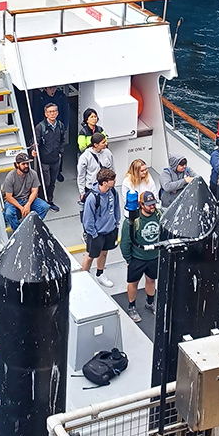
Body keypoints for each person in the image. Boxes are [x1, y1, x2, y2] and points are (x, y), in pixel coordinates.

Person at [120, 191, 161, 321]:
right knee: (133, 283)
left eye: (153, 203)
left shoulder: (160, 215)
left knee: (151, 280)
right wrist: (128, 259)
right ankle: (131, 307)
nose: (152, 207)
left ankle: (150, 303)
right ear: (141, 205)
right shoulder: (132, 221)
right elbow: (125, 242)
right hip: (137, 258)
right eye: (148, 205)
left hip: (154, 257)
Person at [81, 168, 120, 288]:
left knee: (104, 253)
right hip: (96, 233)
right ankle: (83, 278)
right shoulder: (92, 198)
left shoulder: (113, 192)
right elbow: (88, 219)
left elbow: (117, 208)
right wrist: (93, 234)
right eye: (112, 180)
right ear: (104, 182)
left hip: (110, 230)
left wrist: (116, 224)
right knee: (90, 256)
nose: (114, 181)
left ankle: (100, 274)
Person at [2, 152, 50, 232]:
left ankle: (32, 225)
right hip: (14, 200)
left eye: (27, 163)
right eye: (23, 164)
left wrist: (28, 204)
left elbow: (35, 191)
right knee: (9, 213)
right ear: (17, 164)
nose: (26, 166)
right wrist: (21, 208)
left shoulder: (33, 174)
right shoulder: (10, 177)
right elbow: (8, 197)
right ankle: (18, 231)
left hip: (28, 198)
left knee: (45, 206)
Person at [32, 102, 65, 211]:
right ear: (46, 114)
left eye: (54, 111)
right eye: (50, 112)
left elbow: (62, 140)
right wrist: (33, 151)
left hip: (55, 159)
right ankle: (42, 202)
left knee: (52, 182)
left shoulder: (60, 125)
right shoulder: (40, 127)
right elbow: (35, 142)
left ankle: (50, 201)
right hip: (44, 160)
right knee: (44, 182)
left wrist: (61, 151)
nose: (52, 114)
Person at [77, 133, 115, 203]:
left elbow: (112, 168)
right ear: (95, 145)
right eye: (103, 142)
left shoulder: (108, 152)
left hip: (106, 187)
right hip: (92, 188)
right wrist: (82, 192)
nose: (106, 144)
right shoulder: (85, 157)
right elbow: (81, 176)